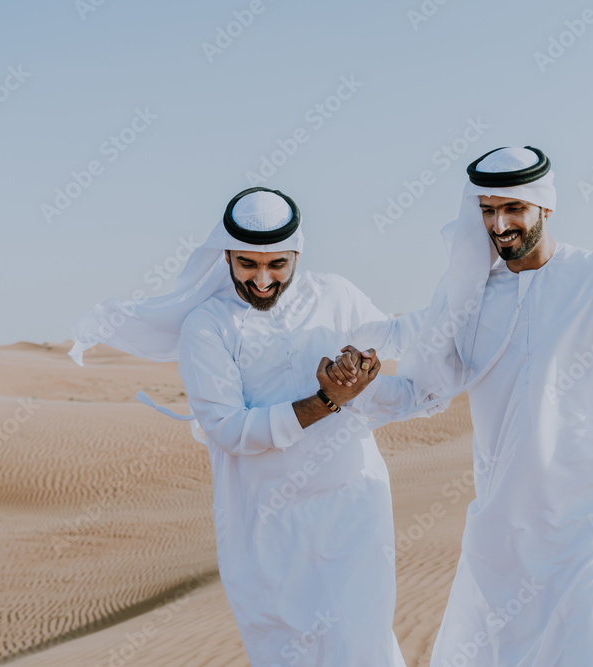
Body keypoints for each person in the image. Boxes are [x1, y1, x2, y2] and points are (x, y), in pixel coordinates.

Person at [342, 146, 593, 666]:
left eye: (513, 209)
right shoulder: (469, 295)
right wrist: (361, 386)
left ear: (545, 208)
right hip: (503, 529)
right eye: (487, 211)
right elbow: (424, 390)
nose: (499, 224)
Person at [67, 187, 414, 666]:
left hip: (354, 510)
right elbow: (230, 430)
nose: (264, 280)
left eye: (278, 265)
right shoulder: (207, 328)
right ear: (226, 255)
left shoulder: (336, 295)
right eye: (248, 265)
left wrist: (364, 367)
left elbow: (395, 340)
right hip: (268, 527)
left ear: (297, 255)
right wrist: (327, 400)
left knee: (365, 649)